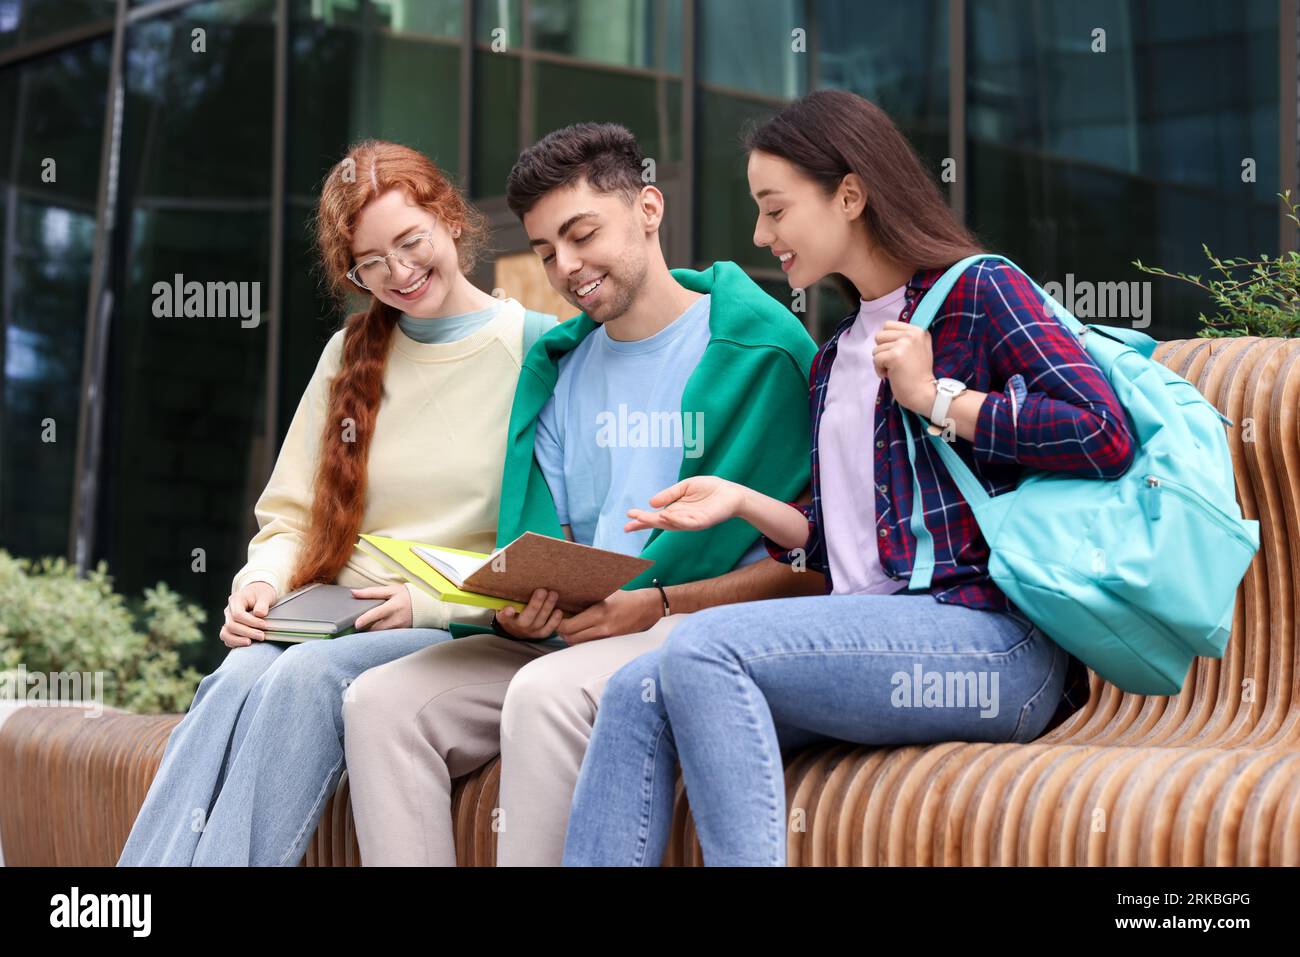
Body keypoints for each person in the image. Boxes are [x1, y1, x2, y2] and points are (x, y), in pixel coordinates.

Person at [563, 90, 1133, 867]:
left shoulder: (977, 292)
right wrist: (744, 503)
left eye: (775, 208)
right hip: (872, 647)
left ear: (851, 194)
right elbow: (840, 557)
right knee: (637, 693)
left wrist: (939, 398)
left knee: (703, 647)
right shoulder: (833, 359)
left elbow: (1103, 431)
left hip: (990, 648)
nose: (762, 234)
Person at [341, 122, 824, 866]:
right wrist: (525, 606)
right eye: (543, 251)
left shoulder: (765, 351)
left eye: (581, 234)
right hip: (575, 638)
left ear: (649, 210)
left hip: (688, 631)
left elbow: (815, 570)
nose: (565, 267)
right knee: (377, 704)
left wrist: (659, 603)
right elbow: (551, 548)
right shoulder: (558, 368)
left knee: (547, 695)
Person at [118, 140, 556, 866]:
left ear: (450, 218)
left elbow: (548, 544)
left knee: (303, 675)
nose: (400, 273)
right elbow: (290, 517)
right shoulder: (349, 353)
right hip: (328, 614)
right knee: (233, 679)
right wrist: (261, 584)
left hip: (449, 626)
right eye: (372, 263)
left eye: (410, 242)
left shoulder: (537, 348)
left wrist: (426, 604)